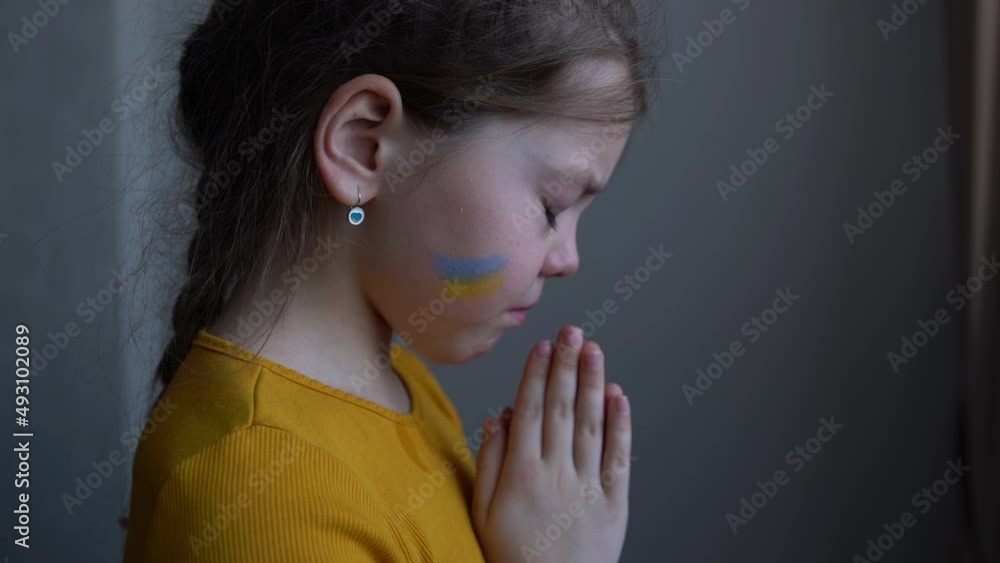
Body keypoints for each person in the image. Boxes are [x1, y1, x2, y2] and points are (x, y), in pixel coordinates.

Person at [123, 0, 656, 561]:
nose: (568, 258)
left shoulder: (398, 382)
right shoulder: (261, 486)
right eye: (553, 206)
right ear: (364, 146)